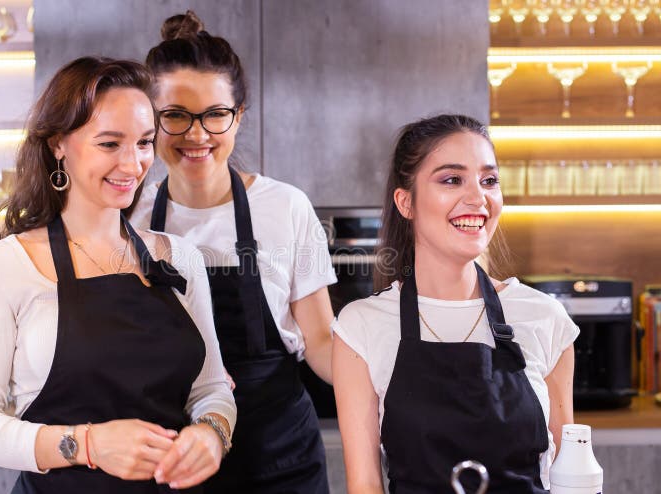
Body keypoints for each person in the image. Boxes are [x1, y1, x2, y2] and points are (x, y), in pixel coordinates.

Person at [0, 56, 236, 494]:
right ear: (58, 144)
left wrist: (213, 433)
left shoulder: (181, 258)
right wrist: (88, 444)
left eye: (144, 142)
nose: (133, 165)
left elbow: (211, 389)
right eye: (109, 144)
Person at [130, 11, 336, 494]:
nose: (197, 134)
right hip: (170, 457)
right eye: (175, 115)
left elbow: (321, 340)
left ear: (238, 116)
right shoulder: (128, 216)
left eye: (215, 114)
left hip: (281, 456)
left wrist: (390, 378)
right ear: (150, 119)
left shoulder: (286, 206)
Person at [332, 114, 577, 493]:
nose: (478, 198)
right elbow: (365, 485)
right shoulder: (360, 326)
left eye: (489, 181)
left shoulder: (544, 316)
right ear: (406, 202)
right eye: (451, 180)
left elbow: (570, 473)